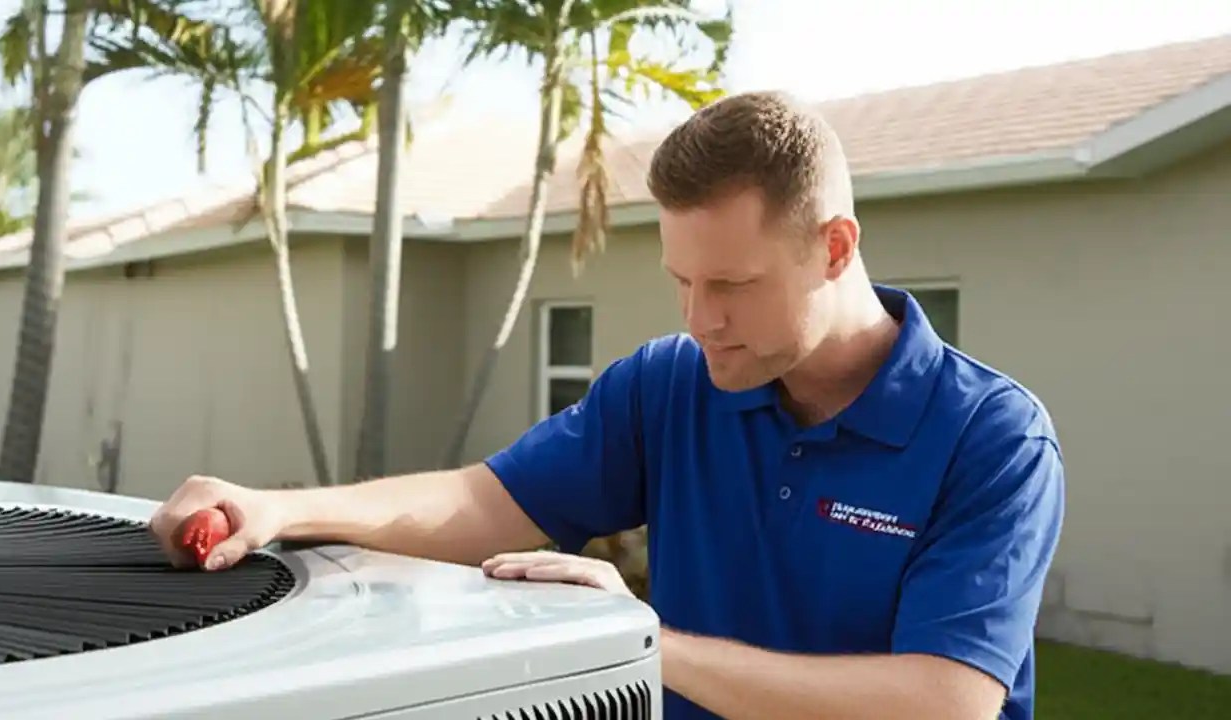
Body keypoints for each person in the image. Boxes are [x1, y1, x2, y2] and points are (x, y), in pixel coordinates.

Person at [149, 90, 1065, 720]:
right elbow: (483, 503)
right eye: (682, 281)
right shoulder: (671, 383)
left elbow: (943, 702)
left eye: (732, 286)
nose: (701, 320)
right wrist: (279, 510)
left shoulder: (993, 438)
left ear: (833, 247)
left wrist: (635, 638)